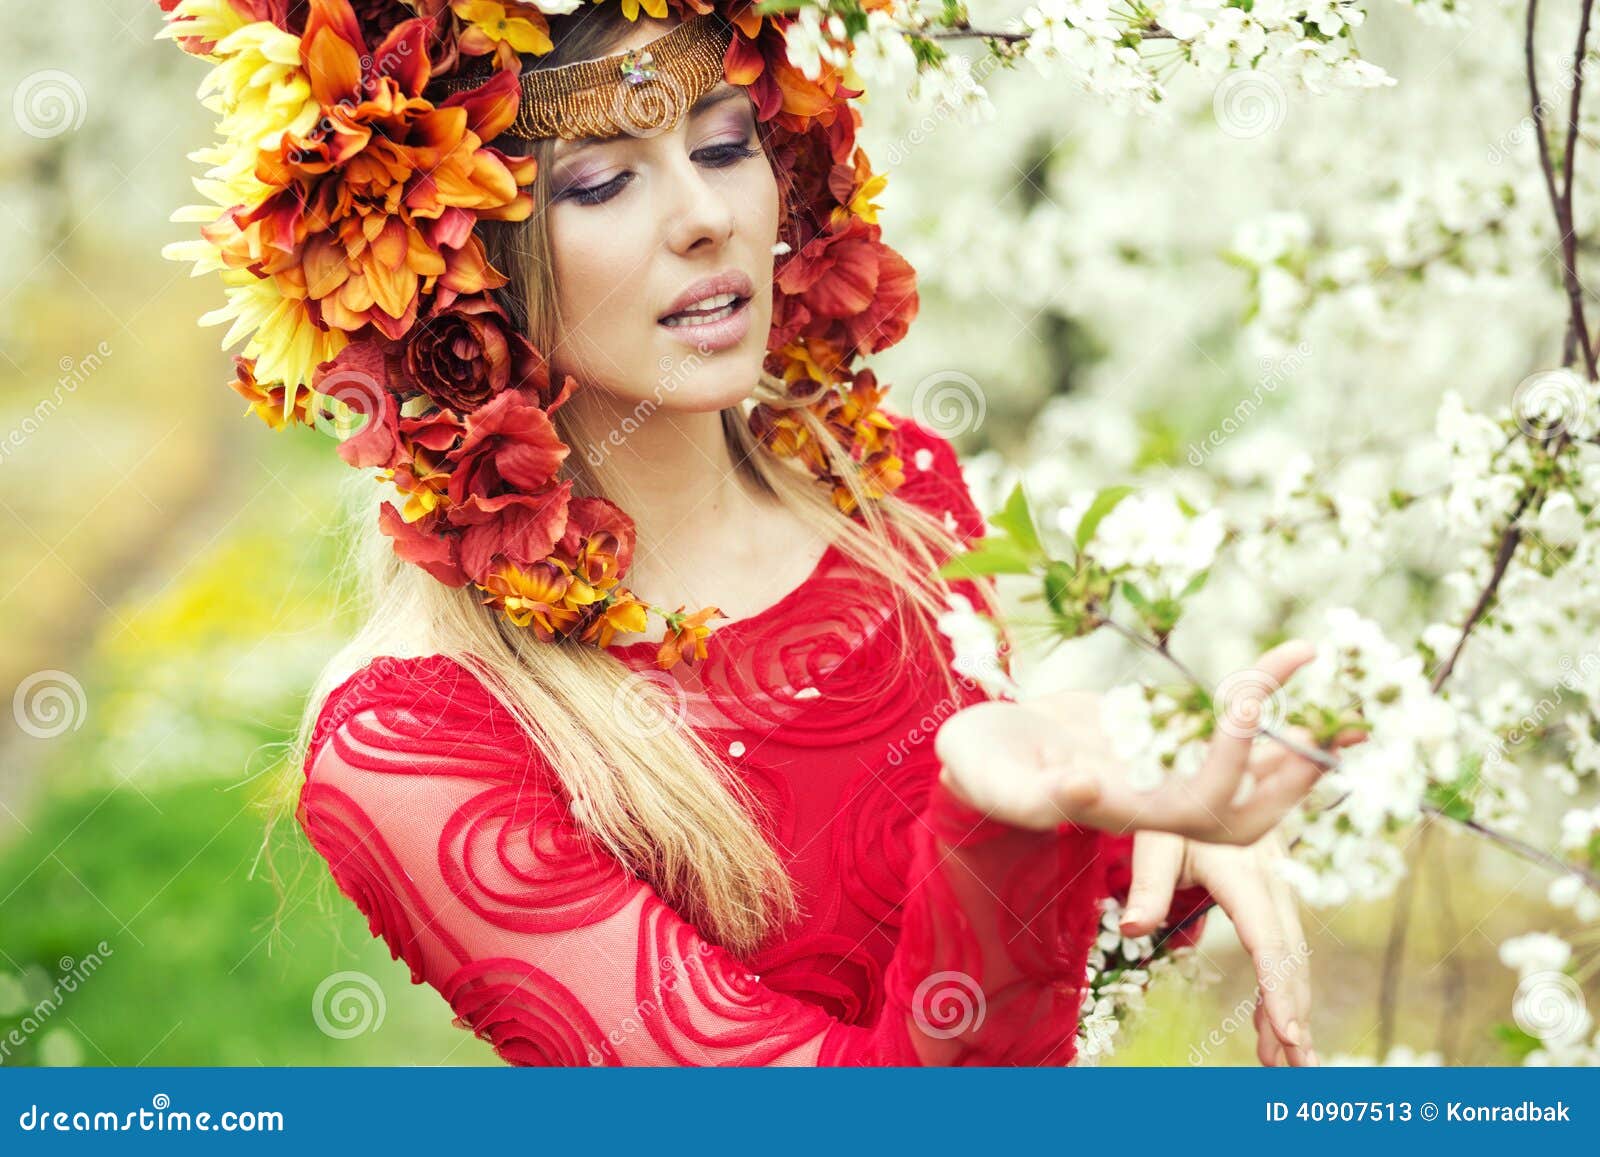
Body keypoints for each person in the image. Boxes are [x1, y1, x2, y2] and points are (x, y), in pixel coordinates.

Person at [237, 2, 1329, 1066]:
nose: (706, 216)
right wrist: (1002, 811)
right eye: (602, 179)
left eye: (724, 144)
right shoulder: (423, 740)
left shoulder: (891, 492)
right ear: (456, 273)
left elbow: (1028, 968)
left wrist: (1152, 830)